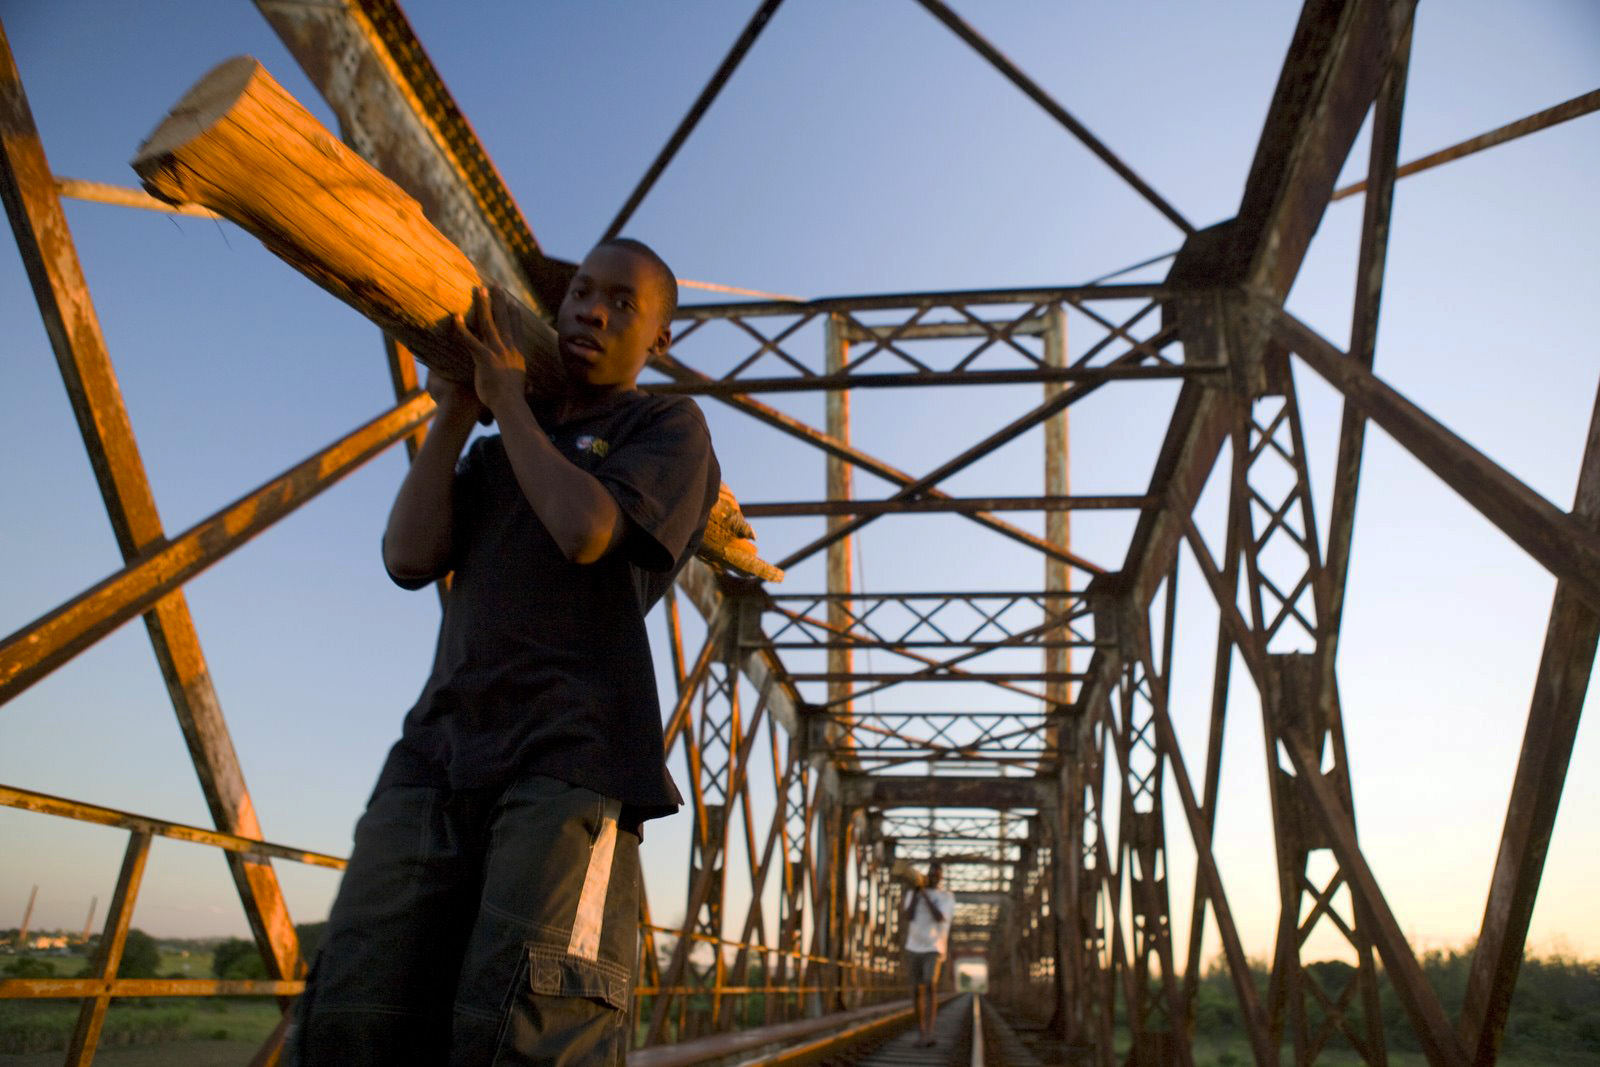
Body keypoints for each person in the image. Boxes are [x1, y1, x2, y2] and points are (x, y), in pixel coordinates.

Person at [289, 238, 721, 1066]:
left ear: (659, 341)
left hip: (570, 763)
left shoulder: (664, 425)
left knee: (527, 1031)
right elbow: (407, 557)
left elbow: (585, 530)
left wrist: (511, 403)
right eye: (580, 294)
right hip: (437, 753)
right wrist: (457, 409)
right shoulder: (494, 454)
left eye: (621, 302)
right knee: (360, 1010)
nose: (590, 309)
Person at [901, 862, 955, 1047]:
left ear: (940, 877)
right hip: (914, 946)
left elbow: (939, 917)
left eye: (936, 875)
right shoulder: (912, 894)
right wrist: (917, 894)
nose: (933, 878)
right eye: (931, 874)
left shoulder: (946, 897)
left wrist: (924, 894)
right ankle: (921, 1031)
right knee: (917, 990)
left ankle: (930, 1032)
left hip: (934, 947)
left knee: (930, 985)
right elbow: (908, 916)